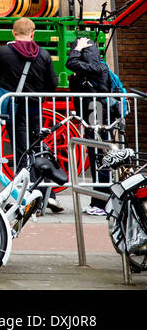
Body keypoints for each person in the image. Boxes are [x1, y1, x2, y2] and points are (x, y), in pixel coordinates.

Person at [0, 16, 63, 212]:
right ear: (33, 33)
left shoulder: (3, 52)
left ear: (13, 32)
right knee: (36, 147)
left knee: (21, 152)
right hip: (34, 107)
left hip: (13, 106)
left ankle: (29, 197)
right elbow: (52, 84)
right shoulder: (44, 54)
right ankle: (47, 193)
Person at [66, 35, 113, 215]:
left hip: (97, 113)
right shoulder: (96, 66)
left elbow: (71, 63)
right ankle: (98, 201)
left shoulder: (97, 67)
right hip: (94, 113)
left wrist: (77, 49)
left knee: (99, 157)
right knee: (97, 157)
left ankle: (102, 202)